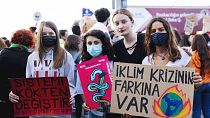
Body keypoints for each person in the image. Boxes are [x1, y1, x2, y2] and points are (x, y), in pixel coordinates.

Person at [9, 21, 76, 118]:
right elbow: (28, 83)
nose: (48, 36)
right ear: (39, 36)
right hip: (37, 113)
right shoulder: (32, 57)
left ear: (56, 35)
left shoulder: (66, 56)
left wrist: (71, 95)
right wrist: (16, 92)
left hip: (60, 113)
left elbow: (70, 83)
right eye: (44, 34)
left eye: (51, 33)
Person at [142, 17, 202, 116]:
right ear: (149, 35)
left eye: (161, 30)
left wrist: (196, 83)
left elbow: (191, 84)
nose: (157, 33)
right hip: (154, 112)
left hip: (177, 111)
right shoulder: (146, 61)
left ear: (168, 32)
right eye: (153, 31)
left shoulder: (183, 56)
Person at [0, 29, 35, 118]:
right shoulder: (30, 58)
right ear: (30, 42)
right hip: (23, 105)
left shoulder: (2, 54)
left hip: (3, 102)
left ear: (13, 39)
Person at [80, 30, 114, 118]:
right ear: (86, 45)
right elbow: (80, 87)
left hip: (112, 111)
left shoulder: (112, 61)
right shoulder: (84, 64)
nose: (92, 46)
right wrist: (85, 102)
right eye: (89, 43)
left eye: (96, 42)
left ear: (103, 43)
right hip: (94, 112)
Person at [191, 34, 210, 118]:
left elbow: (193, 71)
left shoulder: (193, 55)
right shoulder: (209, 53)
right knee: (207, 108)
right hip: (209, 84)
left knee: (196, 108)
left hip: (197, 85)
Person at [64, 34, 83, 118]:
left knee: (70, 97)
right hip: (78, 76)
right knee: (78, 98)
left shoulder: (65, 52)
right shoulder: (79, 52)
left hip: (69, 76)